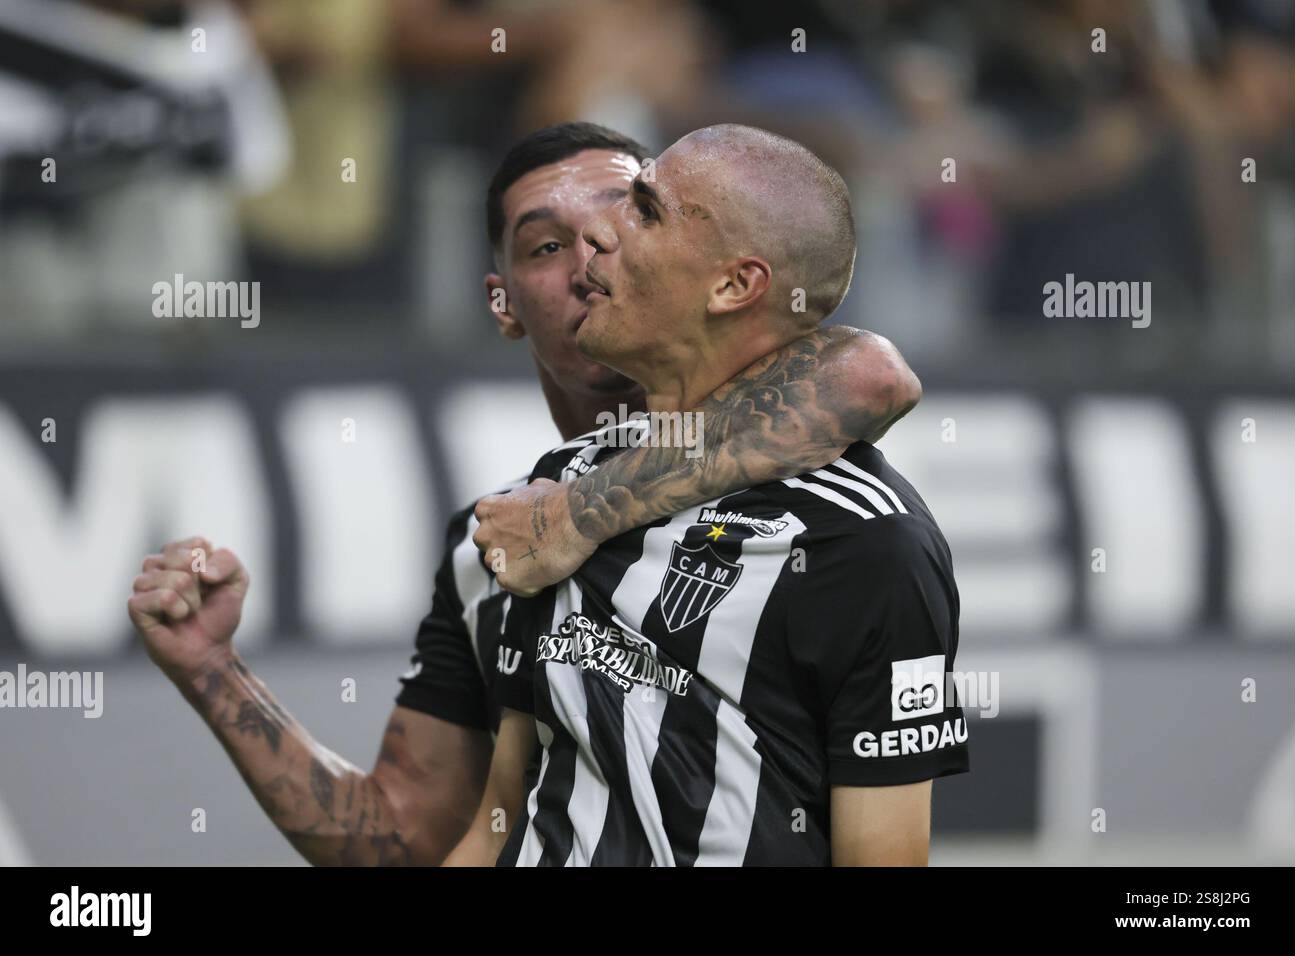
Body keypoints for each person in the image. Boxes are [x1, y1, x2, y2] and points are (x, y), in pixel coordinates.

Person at [126, 122, 921, 865]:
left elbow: (869, 373)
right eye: (545, 246)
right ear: (501, 304)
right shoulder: (510, 534)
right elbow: (432, 831)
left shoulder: (846, 532)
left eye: (632, 212)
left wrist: (577, 518)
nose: (591, 255)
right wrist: (212, 671)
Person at [457, 125, 967, 867]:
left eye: (645, 210)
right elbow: (499, 825)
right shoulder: (560, 486)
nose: (596, 234)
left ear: (734, 286)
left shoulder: (864, 542)